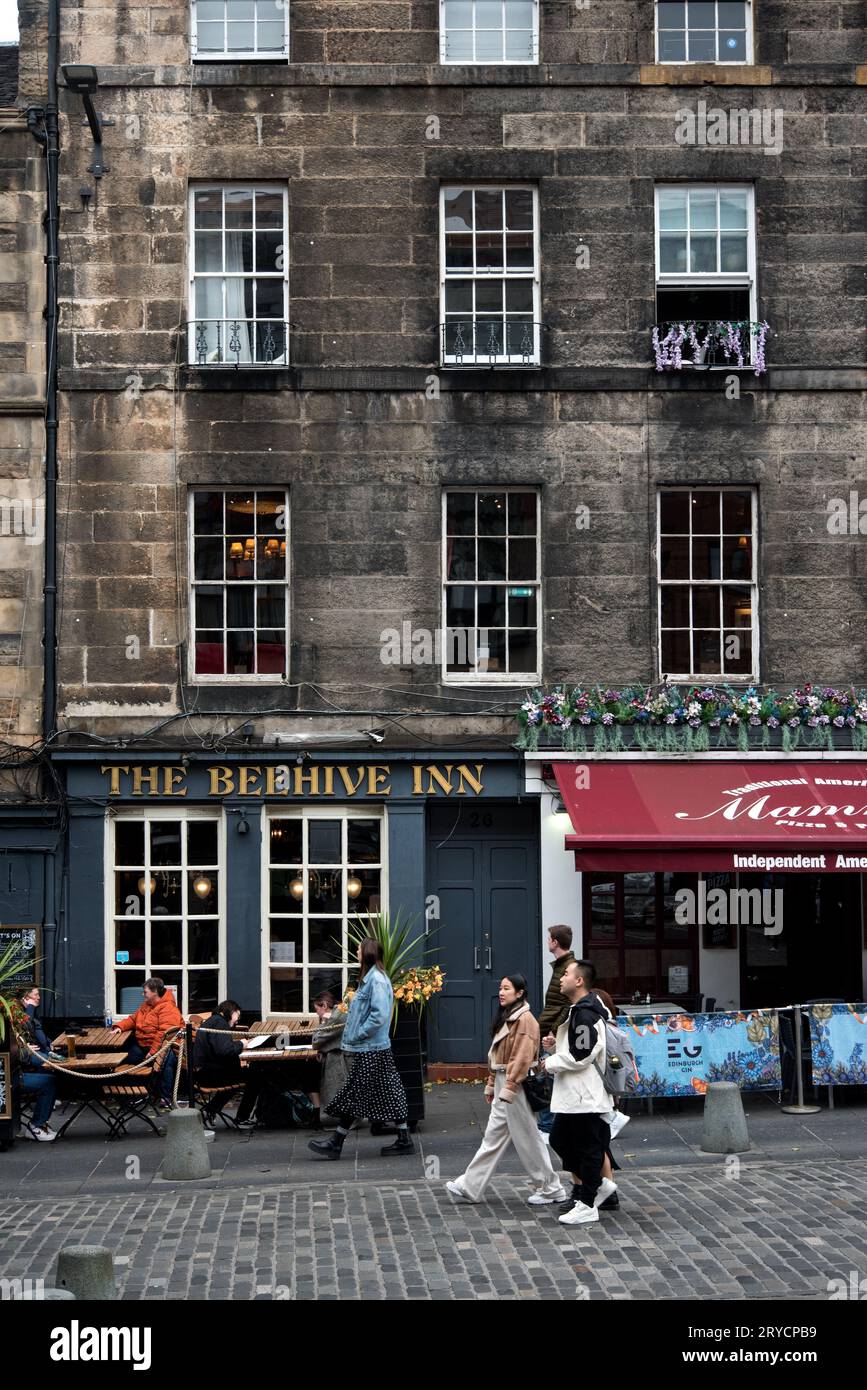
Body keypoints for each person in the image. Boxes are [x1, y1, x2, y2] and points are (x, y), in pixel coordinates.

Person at [445, 974, 568, 1206]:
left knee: (528, 1138)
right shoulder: (510, 1017)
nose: (501, 992)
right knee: (494, 1136)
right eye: (501, 988)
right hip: (507, 1083)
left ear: (519, 993)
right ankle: (471, 1185)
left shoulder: (524, 1020)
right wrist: (492, 1083)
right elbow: (498, 1056)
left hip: (516, 1085)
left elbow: (520, 1059)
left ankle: (551, 1188)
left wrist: (507, 1088)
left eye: (507, 988)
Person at [308, 938, 413, 1160]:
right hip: (376, 1046)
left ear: (366, 953)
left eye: (358, 948)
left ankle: (336, 1143)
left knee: (356, 1092)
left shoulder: (376, 980)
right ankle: (404, 1139)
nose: (356, 950)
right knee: (390, 1090)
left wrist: (358, 1033)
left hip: (370, 1047)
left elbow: (379, 1016)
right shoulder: (371, 978)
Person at [541, 958, 616, 1227]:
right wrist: (554, 1049)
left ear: (579, 981)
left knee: (587, 1148)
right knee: (560, 1140)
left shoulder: (585, 1012)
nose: (561, 978)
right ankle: (599, 1185)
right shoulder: (580, 1010)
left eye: (566, 974)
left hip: (584, 1095)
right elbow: (578, 1049)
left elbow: (582, 1054)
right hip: (575, 1095)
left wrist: (548, 1063)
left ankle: (587, 1203)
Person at [111, 977, 183, 1109]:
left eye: (145, 992)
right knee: (126, 1059)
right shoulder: (146, 1005)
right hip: (144, 1044)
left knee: (165, 1063)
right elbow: (133, 1019)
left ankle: (165, 1097)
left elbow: (164, 1034)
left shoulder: (168, 1008)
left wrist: (153, 1052)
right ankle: (133, 1094)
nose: (142, 994)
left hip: (166, 1046)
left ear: (155, 992)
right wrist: (119, 1027)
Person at [193, 999, 262, 1128]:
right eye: (238, 1015)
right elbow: (225, 1050)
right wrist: (242, 1043)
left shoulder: (212, 1021)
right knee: (256, 1076)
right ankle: (242, 1117)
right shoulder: (220, 1023)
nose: (238, 1020)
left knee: (244, 1076)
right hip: (211, 1075)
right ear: (231, 1011)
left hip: (204, 1073)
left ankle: (211, 1110)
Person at [536, 926, 576, 1138]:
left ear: (555, 942)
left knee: (547, 1078)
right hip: (550, 1032)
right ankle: (548, 1125)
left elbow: (568, 1004)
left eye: (549, 939)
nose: (547, 942)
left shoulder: (568, 967)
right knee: (548, 1077)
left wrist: (554, 1030)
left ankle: (546, 1127)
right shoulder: (562, 965)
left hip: (553, 1035)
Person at [10, 991, 59, 1141]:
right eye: (35, 994)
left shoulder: (12, 1025)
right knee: (48, 1082)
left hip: (14, 1073)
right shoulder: (14, 1022)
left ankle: (40, 1123)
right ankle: (36, 1126)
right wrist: (24, 1049)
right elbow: (18, 1056)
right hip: (10, 1079)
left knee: (51, 1079)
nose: (39, 997)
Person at [311, 990, 349, 1123]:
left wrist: (322, 1023)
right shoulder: (337, 1015)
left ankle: (338, 1119)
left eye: (317, 1010)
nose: (317, 1014)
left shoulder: (335, 1018)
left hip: (339, 1060)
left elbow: (317, 1041)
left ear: (324, 1005)